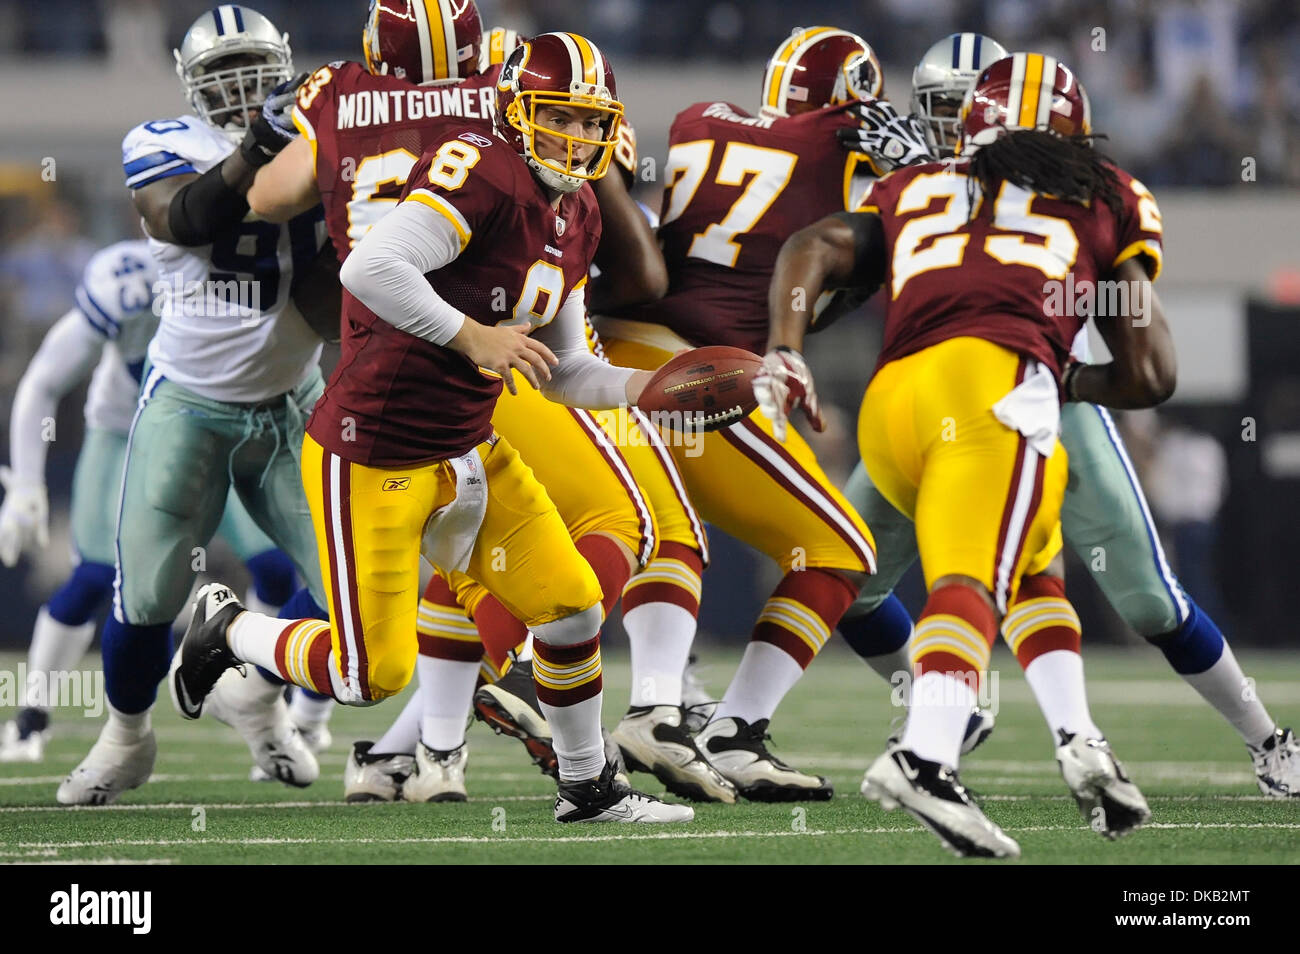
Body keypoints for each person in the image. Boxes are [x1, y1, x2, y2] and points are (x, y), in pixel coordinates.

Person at [170, 32, 695, 824]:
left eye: (593, 123)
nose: (578, 139)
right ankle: (231, 627)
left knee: (575, 607)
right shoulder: (482, 165)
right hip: (372, 449)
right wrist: (474, 337)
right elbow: (368, 269)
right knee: (367, 675)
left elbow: (565, 371)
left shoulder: (579, 210)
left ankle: (589, 787)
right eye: (561, 118)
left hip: (469, 445)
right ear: (516, 112)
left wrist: (649, 388)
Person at [836, 33, 1300, 799]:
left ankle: (1267, 739)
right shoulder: (922, 185)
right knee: (840, 574)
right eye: (941, 111)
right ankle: (941, 707)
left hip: (1047, 388)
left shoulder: (1073, 188)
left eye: (964, 109)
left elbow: (1144, 359)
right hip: (937, 388)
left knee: (1148, 597)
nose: (955, 127)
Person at [762, 53, 1177, 857]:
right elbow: (1152, 374)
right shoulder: (1107, 193)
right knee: (969, 584)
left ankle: (1080, 737)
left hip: (897, 403)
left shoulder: (913, 186)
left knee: (1031, 566)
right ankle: (925, 755)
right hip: (993, 385)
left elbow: (811, 245)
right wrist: (1071, 373)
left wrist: (786, 347)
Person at [596, 26, 885, 801]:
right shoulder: (847, 140)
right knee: (838, 549)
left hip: (605, 357)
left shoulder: (697, 118)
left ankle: (412, 747)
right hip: (693, 371)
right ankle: (730, 730)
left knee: (641, 534)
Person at [57, 5, 330, 805]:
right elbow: (187, 219)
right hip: (191, 401)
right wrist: (260, 146)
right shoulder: (161, 142)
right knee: (144, 597)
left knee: (356, 595)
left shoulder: (327, 133)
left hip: (294, 398)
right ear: (189, 83)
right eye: (222, 73)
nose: (243, 87)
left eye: (255, 69)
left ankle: (254, 688)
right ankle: (126, 739)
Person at [0, 239, 298, 762]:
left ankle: (254, 701)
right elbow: (42, 381)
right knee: (96, 577)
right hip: (127, 433)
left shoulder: (244, 271)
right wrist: (27, 484)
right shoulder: (128, 286)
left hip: (219, 429)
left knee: (275, 567)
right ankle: (32, 716)